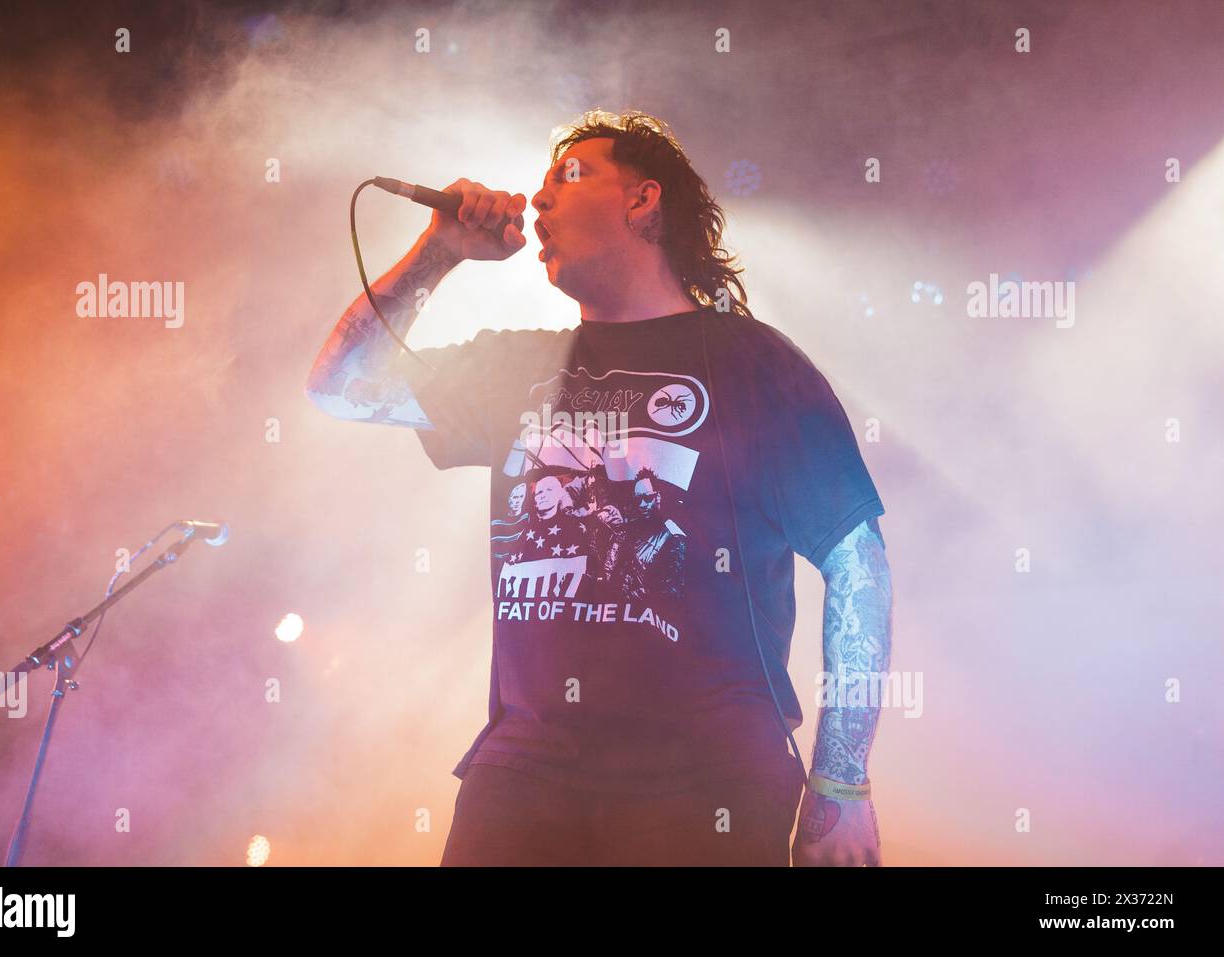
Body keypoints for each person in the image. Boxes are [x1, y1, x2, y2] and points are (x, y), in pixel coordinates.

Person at [306, 110, 892, 866]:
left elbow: (855, 557)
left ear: (643, 200)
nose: (539, 200)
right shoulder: (514, 367)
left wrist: (841, 780)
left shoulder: (753, 363)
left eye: (568, 177)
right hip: (520, 773)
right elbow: (340, 387)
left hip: (705, 777)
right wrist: (438, 251)